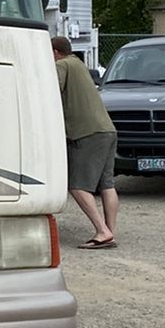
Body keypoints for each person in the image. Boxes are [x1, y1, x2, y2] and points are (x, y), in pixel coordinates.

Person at [53, 35, 119, 248]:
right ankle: (110, 231)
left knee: (78, 186)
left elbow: (51, 91)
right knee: (107, 184)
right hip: (108, 129)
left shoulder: (62, 65)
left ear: (55, 52)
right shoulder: (79, 64)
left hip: (86, 132)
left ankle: (102, 231)